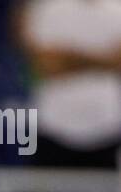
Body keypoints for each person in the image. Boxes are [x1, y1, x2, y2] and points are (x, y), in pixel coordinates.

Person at [20, 0, 121, 169]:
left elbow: (118, 63)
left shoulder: (116, 10)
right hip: (53, 126)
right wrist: (104, 60)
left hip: (108, 125)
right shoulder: (47, 10)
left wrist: (69, 58)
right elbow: (48, 65)